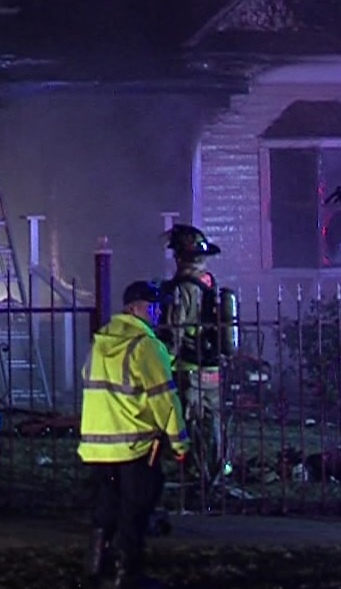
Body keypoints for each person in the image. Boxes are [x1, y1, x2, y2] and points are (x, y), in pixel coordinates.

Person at [78, 280, 190, 589]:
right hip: (134, 448)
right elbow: (165, 400)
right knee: (135, 510)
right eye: (152, 305)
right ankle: (126, 574)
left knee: (104, 509)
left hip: (97, 448)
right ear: (133, 308)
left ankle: (94, 568)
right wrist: (179, 442)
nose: (157, 312)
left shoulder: (100, 343)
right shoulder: (146, 346)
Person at [160, 224, 225, 496]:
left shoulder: (182, 288)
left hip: (188, 368)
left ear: (178, 256)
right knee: (211, 419)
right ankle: (215, 472)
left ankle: (196, 475)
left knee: (188, 422)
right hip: (210, 366)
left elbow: (173, 330)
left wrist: (163, 364)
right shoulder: (208, 282)